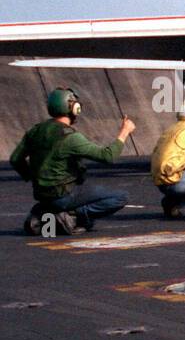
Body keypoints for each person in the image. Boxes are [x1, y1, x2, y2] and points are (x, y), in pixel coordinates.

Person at [10, 87, 135, 235]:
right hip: (64, 195)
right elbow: (107, 156)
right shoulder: (70, 137)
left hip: (42, 195)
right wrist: (124, 132)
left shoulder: (36, 130)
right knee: (120, 197)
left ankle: (46, 214)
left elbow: (15, 159)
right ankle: (71, 216)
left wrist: (34, 177)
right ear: (73, 108)